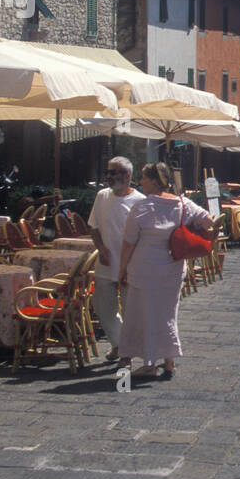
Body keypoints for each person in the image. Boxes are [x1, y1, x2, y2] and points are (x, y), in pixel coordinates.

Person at [116, 163, 214, 379]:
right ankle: (168, 361)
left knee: (143, 315)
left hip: (144, 268)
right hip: (172, 267)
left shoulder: (141, 207)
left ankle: (150, 364)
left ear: (153, 181)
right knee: (167, 313)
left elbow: (128, 244)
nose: (140, 182)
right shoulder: (182, 203)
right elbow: (209, 220)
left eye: (142, 178)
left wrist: (121, 270)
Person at [87, 156, 145, 362]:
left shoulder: (140, 201)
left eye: (114, 173)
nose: (109, 177)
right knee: (103, 307)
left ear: (127, 175)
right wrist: (101, 248)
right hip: (105, 264)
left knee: (130, 311)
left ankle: (126, 353)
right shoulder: (102, 196)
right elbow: (93, 226)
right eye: (108, 172)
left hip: (131, 266)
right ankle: (118, 344)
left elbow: (144, 237)